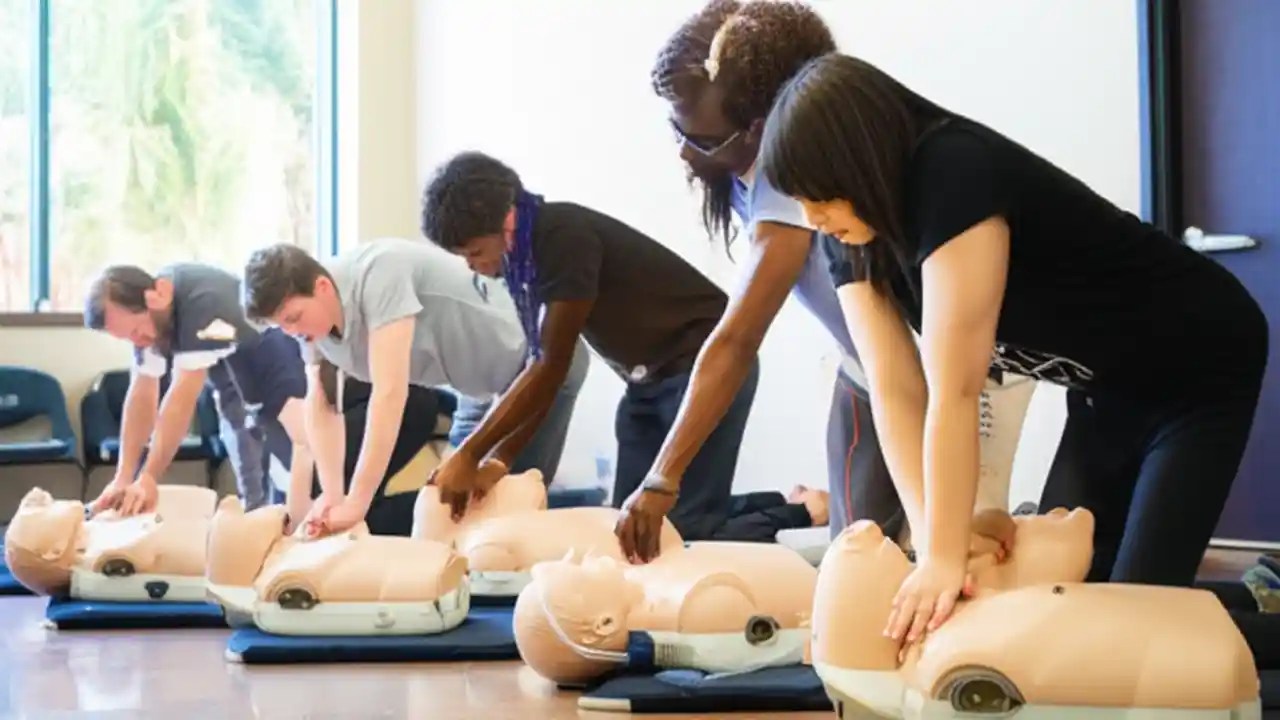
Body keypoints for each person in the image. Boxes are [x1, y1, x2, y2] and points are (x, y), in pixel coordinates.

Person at [757, 53, 1267, 643]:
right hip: (1106, 391)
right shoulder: (847, 241)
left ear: (860, 162)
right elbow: (895, 392)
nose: (812, 218)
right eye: (799, 201)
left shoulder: (952, 174)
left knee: (1133, 628)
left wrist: (946, 563)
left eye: (820, 195)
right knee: (1064, 601)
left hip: (1198, 365)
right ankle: (1258, 592)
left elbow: (956, 389)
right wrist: (934, 539)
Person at [611, 0, 902, 562]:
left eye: (705, 140)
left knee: (909, 560)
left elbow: (738, 338)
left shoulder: (788, 170)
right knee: (859, 560)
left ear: (761, 121)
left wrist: (662, 479)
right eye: (678, 129)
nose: (684, 151)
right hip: (864, 368)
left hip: (944, 368)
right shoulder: (749, 172)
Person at [419, 151, 815, 544]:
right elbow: (542, 369)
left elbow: (550, 366)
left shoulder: (560, 234)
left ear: (506, 223)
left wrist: (471, 454)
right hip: (647, 385)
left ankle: (807, 512)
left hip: (702, 371)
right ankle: (784, 501)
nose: (472, 266)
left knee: (682, 530)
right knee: (626, 528)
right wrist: (499, 460)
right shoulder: (528, 260)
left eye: (475, 252)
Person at [240, 238, 587, 535]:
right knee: (446, 511)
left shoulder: (379, 273)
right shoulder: (311, 324)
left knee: (501, 519)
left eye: (291, 318)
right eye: (279, 325)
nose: (289, 331)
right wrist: (333, 495)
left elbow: (390, 395)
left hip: (541, 364)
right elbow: (322, 404)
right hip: (481, 390)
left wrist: (357, 504)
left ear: (322, 288)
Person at [83, 264, 313, 521]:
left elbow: (180, 401)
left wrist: (148, 478)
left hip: (276, 369)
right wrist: (123, 478)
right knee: (252, 488)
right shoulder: (151, 316)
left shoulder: (203, 303)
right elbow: (142, 394)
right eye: (129, 338)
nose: (139, 341)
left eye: (136, 331)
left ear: (157, 296)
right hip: (230, 376)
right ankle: (261, 534)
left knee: (293, 477)